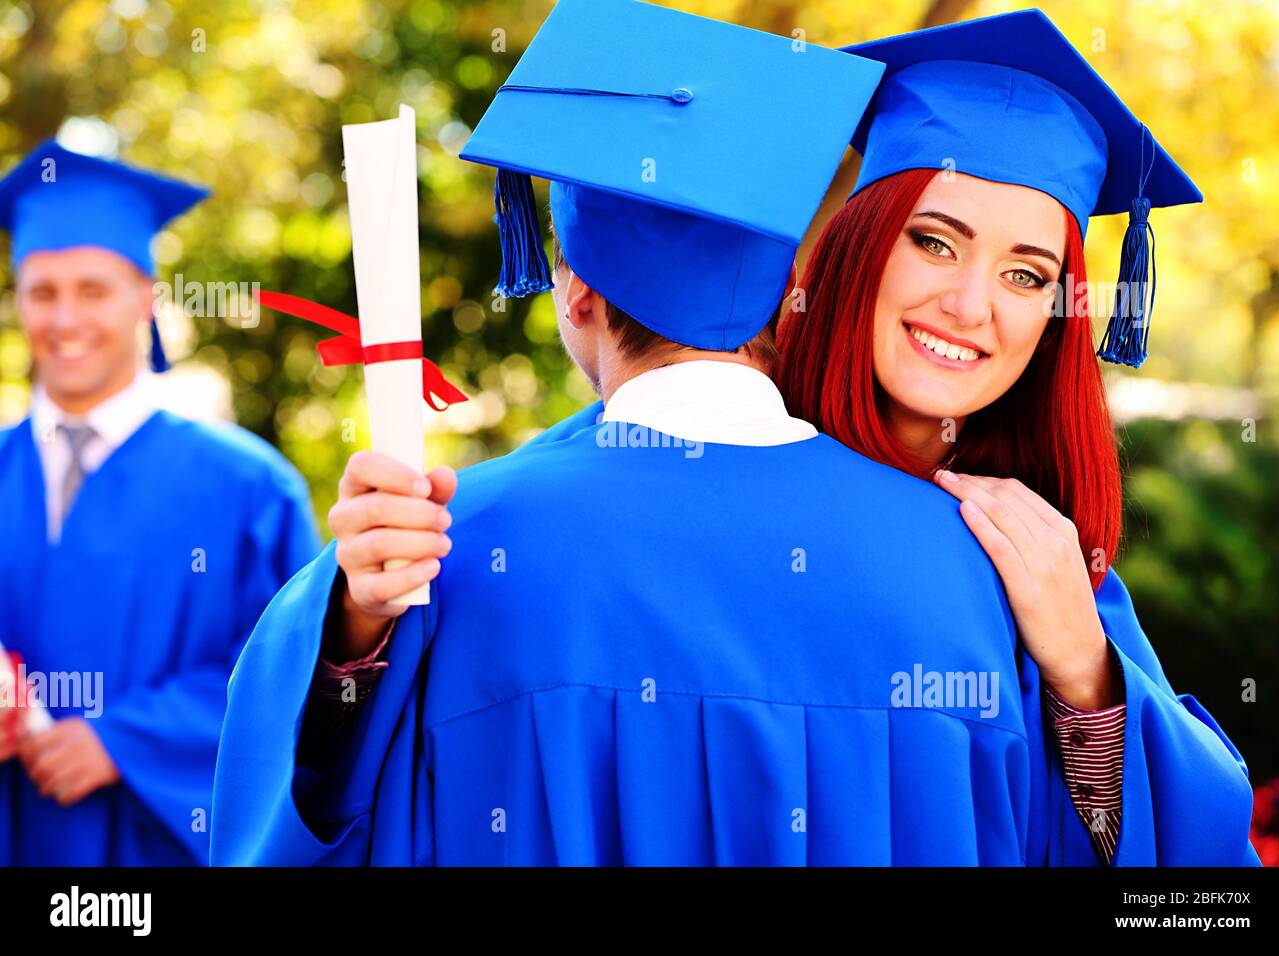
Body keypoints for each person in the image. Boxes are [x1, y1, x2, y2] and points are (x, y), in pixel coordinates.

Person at [210, 0, 1061, 866]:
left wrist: (355, 628)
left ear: (575, 290)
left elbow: (303, 819)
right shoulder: (978, 567)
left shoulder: (441, 552)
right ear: (792, 284)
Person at [768, 10, 1256, 865]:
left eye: (1026, 274)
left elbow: (1195, 881)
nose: (970, 306)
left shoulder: (1041, 558)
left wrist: (1084, 674)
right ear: (859, 246)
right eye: (933, 242)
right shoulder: (732, 467)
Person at [0, 140, 321, 865]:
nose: (64, 319)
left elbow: (292, 678)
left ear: (146, 298)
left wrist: (124, 741)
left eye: (93, 289)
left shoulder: (246, 487)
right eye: (42, 291)